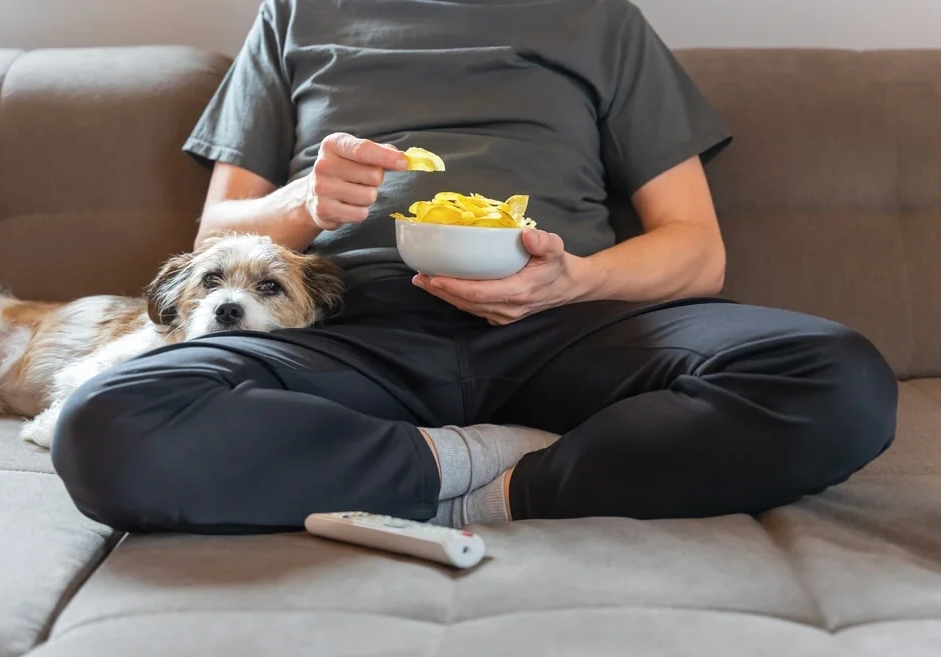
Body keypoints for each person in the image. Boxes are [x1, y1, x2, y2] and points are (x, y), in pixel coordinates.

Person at [50, 0, 898, 534]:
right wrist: (306, 201)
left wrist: (581, 279)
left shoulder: (600, 18)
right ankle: (458, 468)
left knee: (837, 376)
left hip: (568, 319)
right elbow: (215, 238)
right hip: (352, 326)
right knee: (107, 423)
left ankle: (507, 488)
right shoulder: (294, 13)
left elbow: (696, 248)